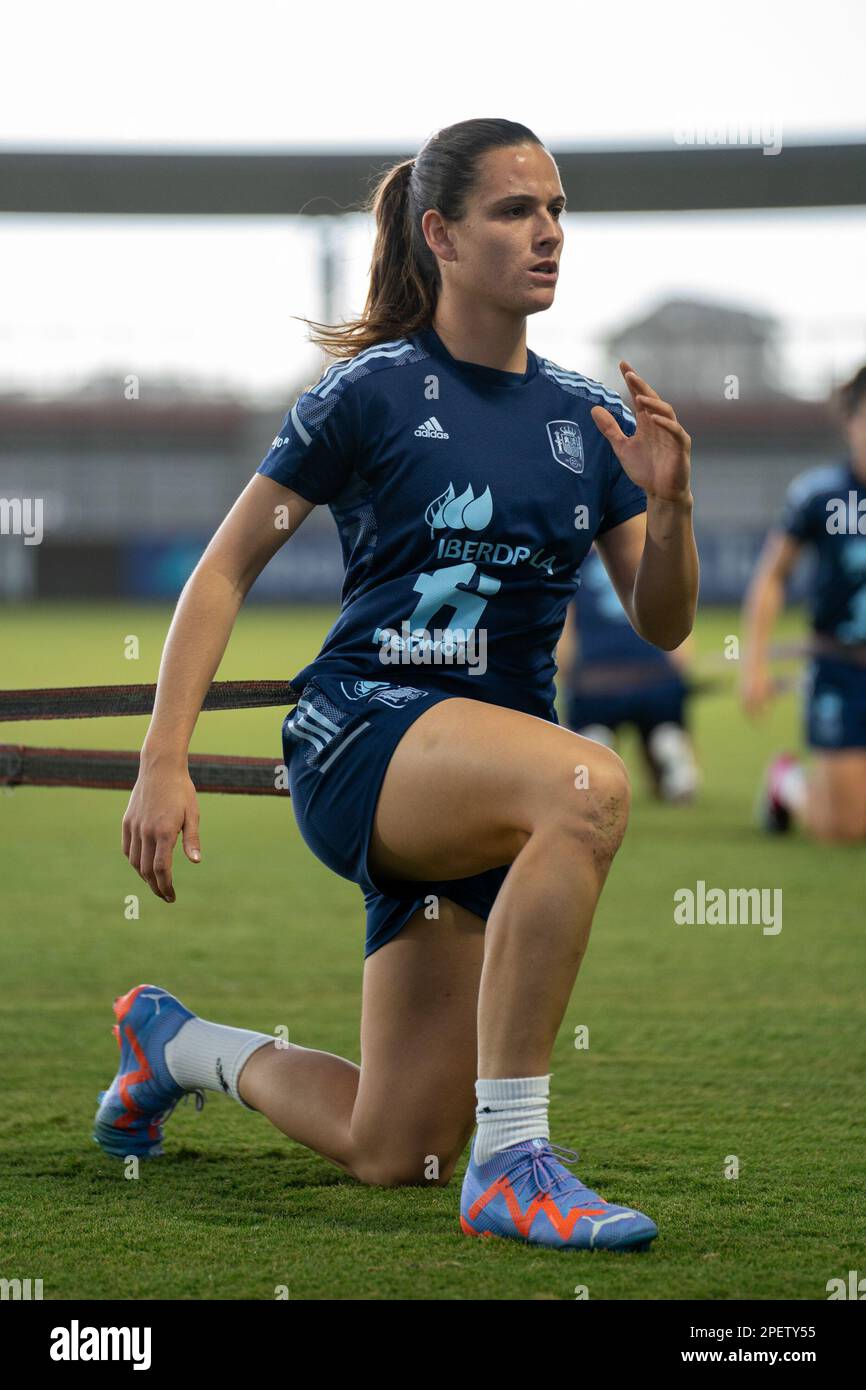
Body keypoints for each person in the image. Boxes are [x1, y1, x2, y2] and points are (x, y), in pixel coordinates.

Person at [96, 118, 698, 1252]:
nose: (548, 233)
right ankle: (515, 1159)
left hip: (484, 789)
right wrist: (161, 756)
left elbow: (663, 621)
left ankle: (174, 1046)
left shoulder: (585, 416)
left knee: (398, 1147)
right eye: (515, 210)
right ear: (441, 234)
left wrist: (667, 505)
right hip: (359, 737)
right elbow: (226, 566)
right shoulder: (367, 391)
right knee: (588, 785)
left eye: (557, 210)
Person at [741, 365, 866, 842]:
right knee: (842, 831)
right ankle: (786, 783)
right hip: (839, 669)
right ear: (851, 421)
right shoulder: (819, 494)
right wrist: (753, 663)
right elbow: (772, 577)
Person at [557, 544, 699, 803]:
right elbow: (680, 640)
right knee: (663, 723)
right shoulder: (650, 562)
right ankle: (670, 747)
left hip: (597, 685)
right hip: (657, 680)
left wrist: (569, 681)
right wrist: (678, 679)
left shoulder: (571, 562)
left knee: (588, 726)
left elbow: (564, 638)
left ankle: (595, 744)